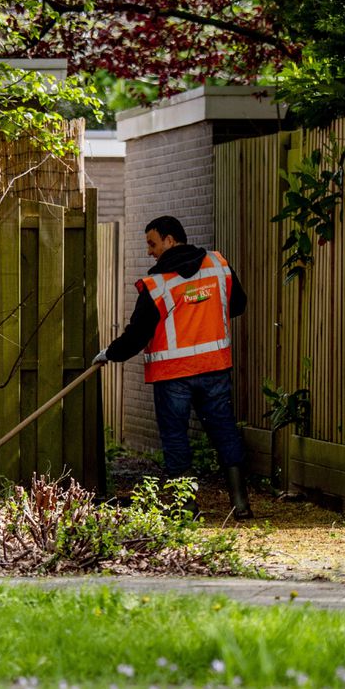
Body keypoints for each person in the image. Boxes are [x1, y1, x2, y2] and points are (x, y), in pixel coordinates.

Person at [94, 215, 252, 519]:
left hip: (173, 377)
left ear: (170, 240)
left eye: (152, 244)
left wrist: (109, 354)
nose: (150, 251)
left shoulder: (156, 285)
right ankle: (241, 503)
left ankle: (187, 507)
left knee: (176, 437)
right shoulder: (218, 265)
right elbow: (238, 305)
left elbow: (136, 336)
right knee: (224, 431)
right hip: (214, 367)